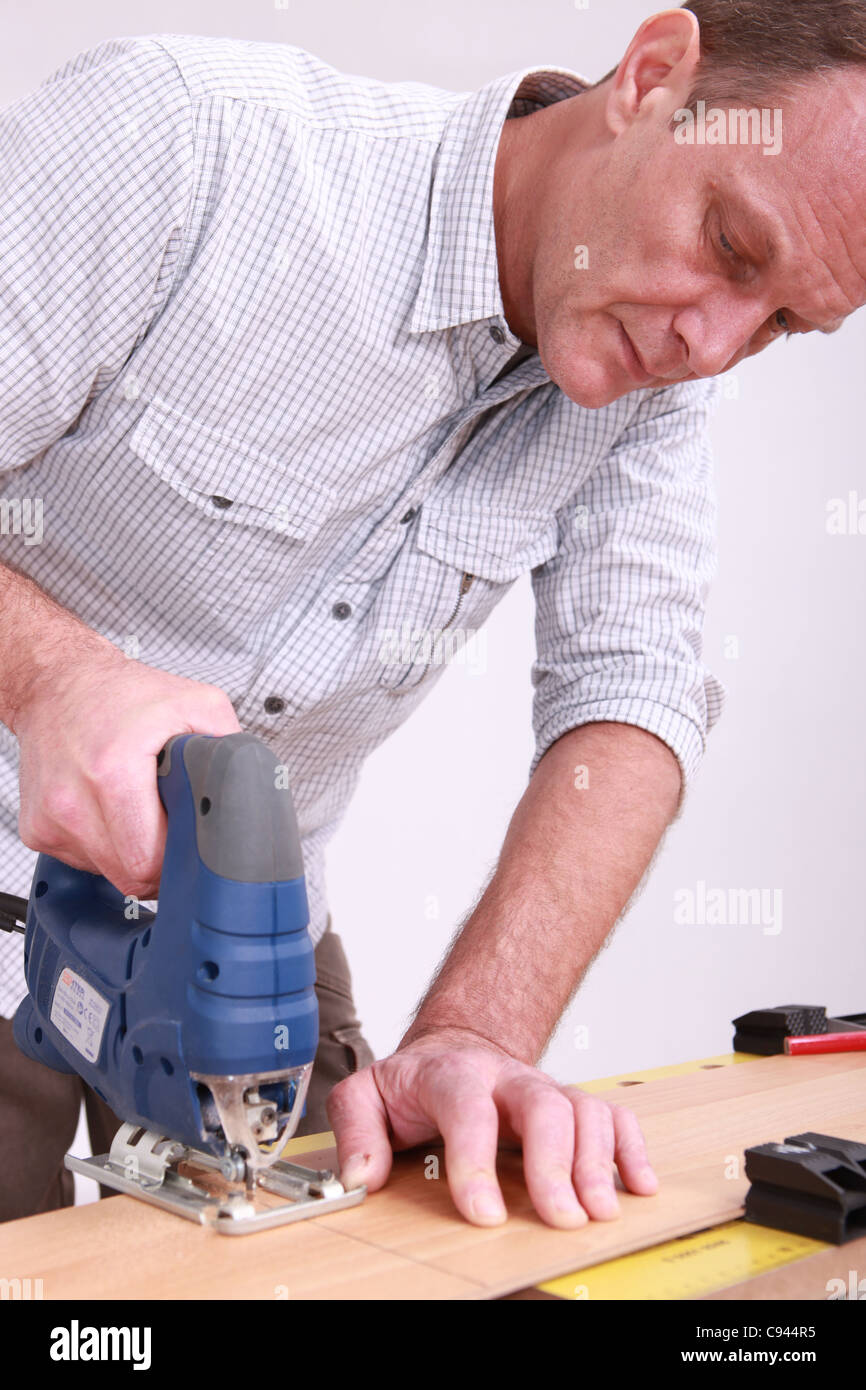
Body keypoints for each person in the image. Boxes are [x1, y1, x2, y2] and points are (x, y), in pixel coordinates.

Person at [1, 1, 863, 1229]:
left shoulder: (651, 382)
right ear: (653, 75)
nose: (710, 346)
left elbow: (628, 699)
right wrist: (47, 674)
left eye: (779, 323)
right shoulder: (189, 143)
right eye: (728, 243)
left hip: (247, 962)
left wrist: (476, 1032)